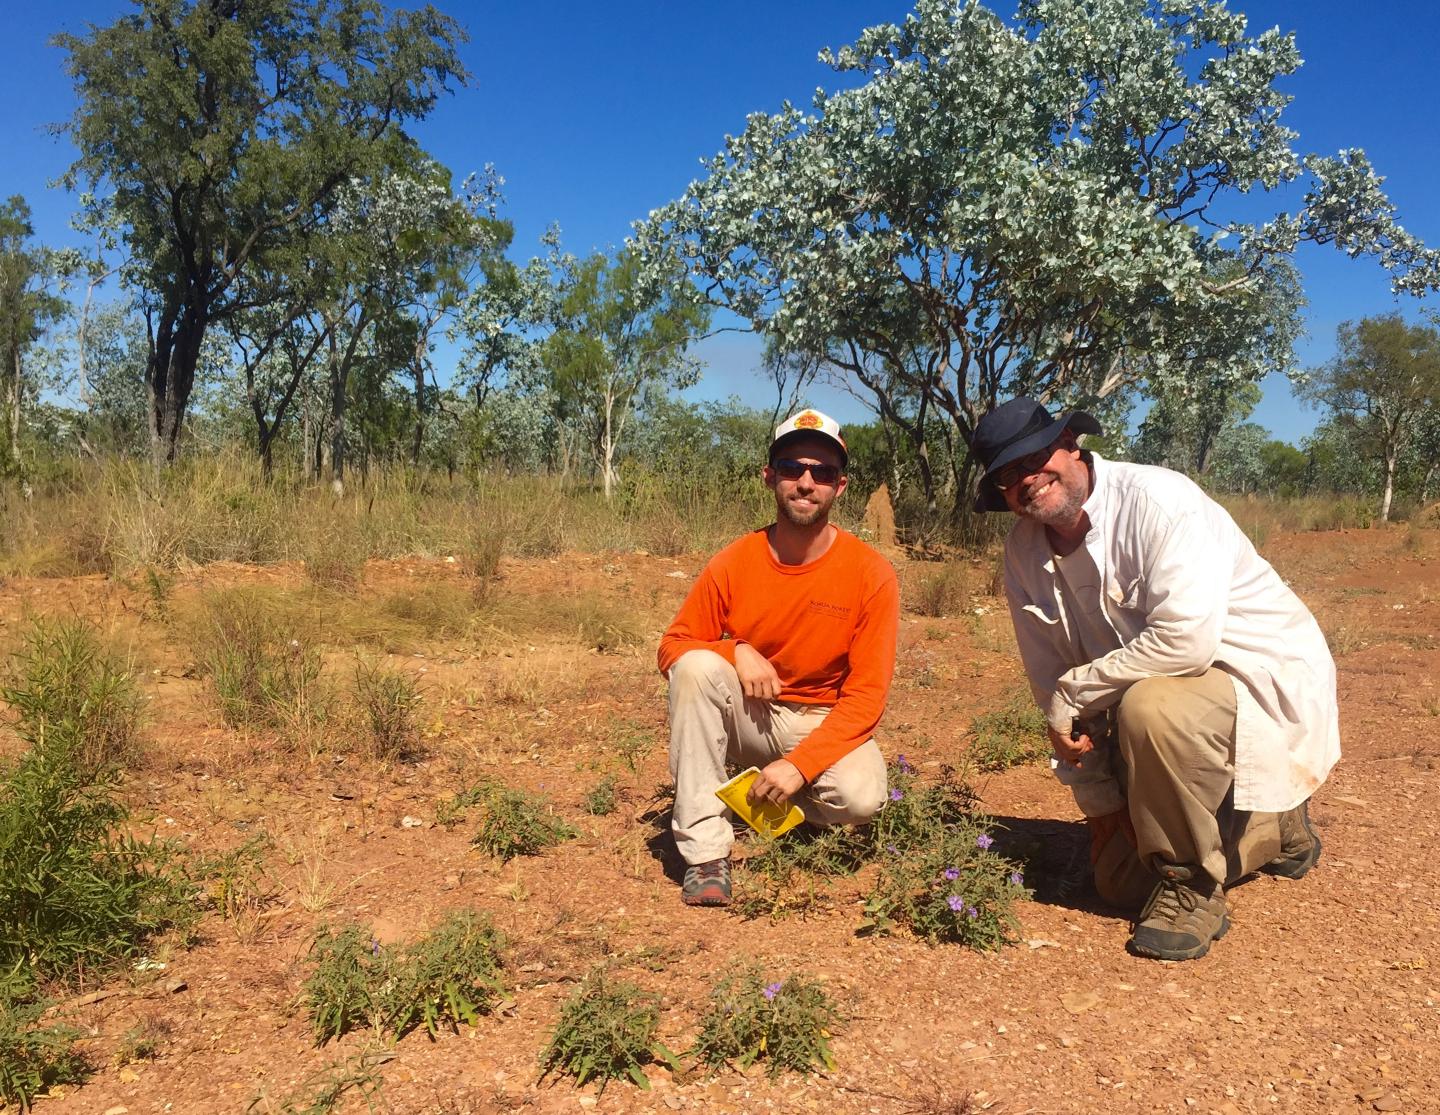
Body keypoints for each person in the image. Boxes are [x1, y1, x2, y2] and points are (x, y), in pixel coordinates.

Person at [970, 396, 1340, 960]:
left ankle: (1190, 887)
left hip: (1250, 679)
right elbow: (1050, 683)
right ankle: (1266, 824)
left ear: (1072, 445)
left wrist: (1076, 693)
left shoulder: (1161, 501)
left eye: (1036, 456)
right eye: (1007, 474)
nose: (1027, 478)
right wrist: (1100, 804)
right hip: (1155, 701)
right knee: (1118, 882)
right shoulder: (1022, 553)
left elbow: (1186, 645)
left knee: (1151, 705)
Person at [657, 409, 899, 907]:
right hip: (753, 715)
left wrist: (800, 766)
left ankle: (768, 797)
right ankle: (706, 853)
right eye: (792, 468)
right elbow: (672, 645)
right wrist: (735, 649)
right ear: (769, 477)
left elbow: (867, 698)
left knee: (862, 799)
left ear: (841, 487)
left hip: (821, 721)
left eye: (823, 472)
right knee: (696, 668)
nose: (806, 482)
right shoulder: (735, 560)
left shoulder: (870, 573)